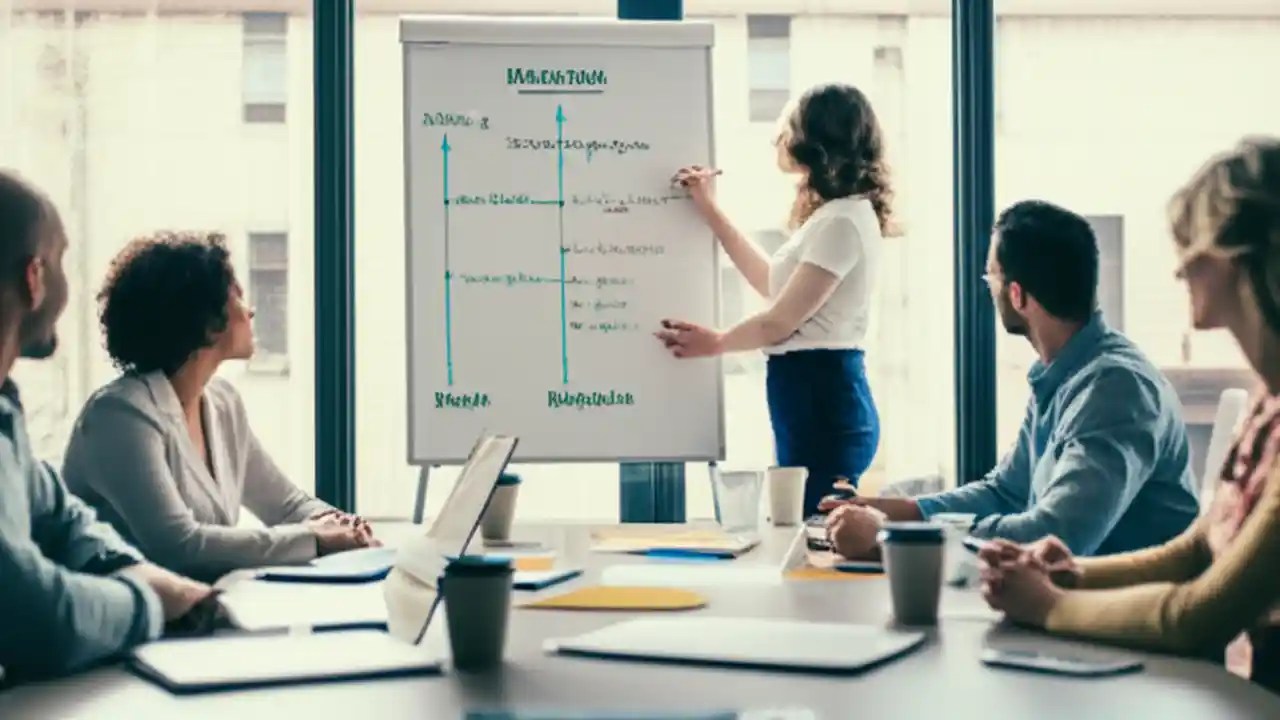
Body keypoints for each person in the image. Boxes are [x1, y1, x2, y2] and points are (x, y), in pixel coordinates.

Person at [978, 137, 1280, 692]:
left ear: (1241, 256)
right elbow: (1197, 550)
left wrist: (1049, 604)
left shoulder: (1116, 383)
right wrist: (1068, 574)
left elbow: (1197, 616)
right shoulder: (1269, 405)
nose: (1179, 270)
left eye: (1191, 246)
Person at [825, 200, 1198, 559]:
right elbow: (1007, 492)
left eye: (992, 277)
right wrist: (896, 511)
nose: (989, 288)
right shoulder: (1064, 373)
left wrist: (891, 538)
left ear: (1017, 294)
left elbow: (1057, 537)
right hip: (1069, 600)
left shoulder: (1116, 390)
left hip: (1117, 616)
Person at [63, 231, 376, 583]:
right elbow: (180, 546)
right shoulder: (119, 417)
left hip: (196, 614)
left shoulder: (222, 402)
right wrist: (315, 538)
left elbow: (286, 505)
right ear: (205, 321)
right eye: (238, 297)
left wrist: (350, 529)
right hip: (127, 622)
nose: (251, 309)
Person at [0, 170, 214, 680]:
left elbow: (60, 518)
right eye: (62, 260)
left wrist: (138, 574)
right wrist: (148, 602)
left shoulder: (5, 415)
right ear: (34, 278)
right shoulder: (120, 413)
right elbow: (36, 617)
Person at [656, 83, 894, 516]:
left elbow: (777, 322)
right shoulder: (832, 218)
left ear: (815, 142)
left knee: (817, 537)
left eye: (788, 129)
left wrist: (717, 342)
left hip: (824, 399)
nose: (777, 139)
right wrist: (708, 209)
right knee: (809, 533)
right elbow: (771, 283)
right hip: (810, 396)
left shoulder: (843, 221)